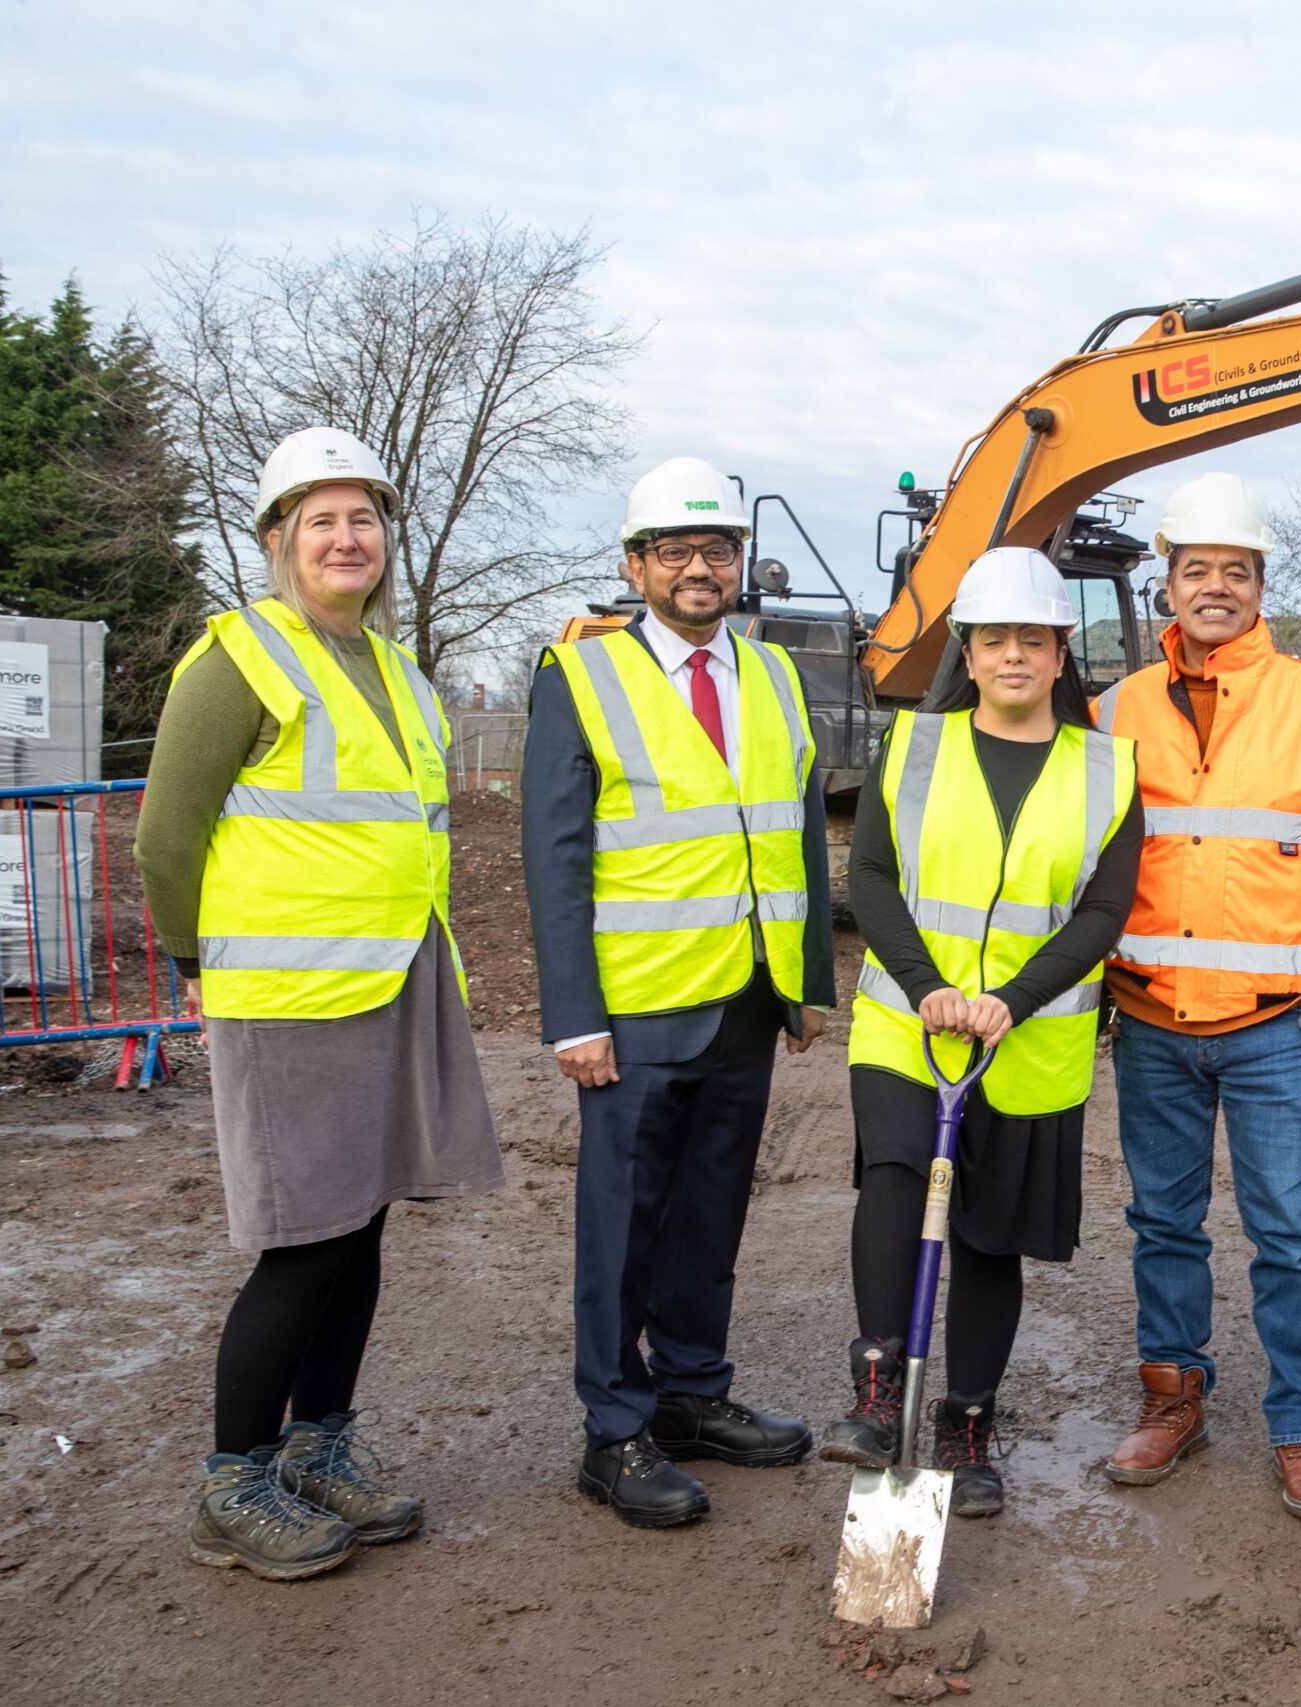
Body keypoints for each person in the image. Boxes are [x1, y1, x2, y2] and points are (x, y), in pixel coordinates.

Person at [138, 426, 504, 1581]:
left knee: (360, 1229)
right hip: (288, 997)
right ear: (277, 540)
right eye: (321, 520)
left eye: (363, 519)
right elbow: (163, 838)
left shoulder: (395, 670)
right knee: (302, 1244)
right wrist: (204, 963)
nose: (347, 539)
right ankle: (230, 1484)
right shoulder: (238, 662)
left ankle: (317, 1444)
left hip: (392, 980)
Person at [1091, 472, 1301, 1522]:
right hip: (1149, 1018)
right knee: (1163, 1225)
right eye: (1196, 570)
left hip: (1281, 1026)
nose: (1215, 587)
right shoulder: (1116, 708)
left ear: (1259, 583)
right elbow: (1081, 855)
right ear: (1168, 583)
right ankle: (1171, 1400)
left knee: (1286, 1232)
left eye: (1234, 570)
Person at [521, 456, 835, 1529]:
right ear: (634, 566)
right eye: (676, 551)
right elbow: (553, 857)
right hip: (637, 1003)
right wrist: (573, 1014)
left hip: (745, 994)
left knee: (710, 1211)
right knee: (622, 1222)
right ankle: (614, 1432)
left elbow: (795, 835)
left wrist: (805, 985)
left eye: (718, 551)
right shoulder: (580, 677)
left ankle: (692, 1390)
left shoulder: (773, 676)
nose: (700, 569)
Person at [819, 547, 1142, 1518]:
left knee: (989, 1240)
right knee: (896, 1172)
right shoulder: (914, 749)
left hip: (1027, 1043)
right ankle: (879, 1393)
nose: (1012, 655)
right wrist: (923, 986)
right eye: (993, 638)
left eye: (1031, 640)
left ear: (1058, 655)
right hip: (905, 1027)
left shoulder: (1106, 767)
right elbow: (869, 877)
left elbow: (1103, 910)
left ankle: (965, 1423)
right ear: (968, 650)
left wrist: (1015, 995)